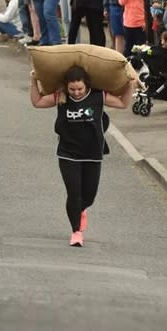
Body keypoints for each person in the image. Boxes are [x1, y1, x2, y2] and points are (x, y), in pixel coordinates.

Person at [29, 65, 134, 247]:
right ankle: (76, 232)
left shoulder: (98, 96)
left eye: (80, 89)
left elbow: (123, 103)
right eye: (72, 89)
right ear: (66, 87)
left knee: (89, 196)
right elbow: (37, 102)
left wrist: (130, 84)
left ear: (87, 86)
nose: (76, 93)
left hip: (92, 153)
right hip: (68, 153)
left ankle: (81, 210)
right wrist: (33, 81)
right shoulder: (60, 97)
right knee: (74, 193)